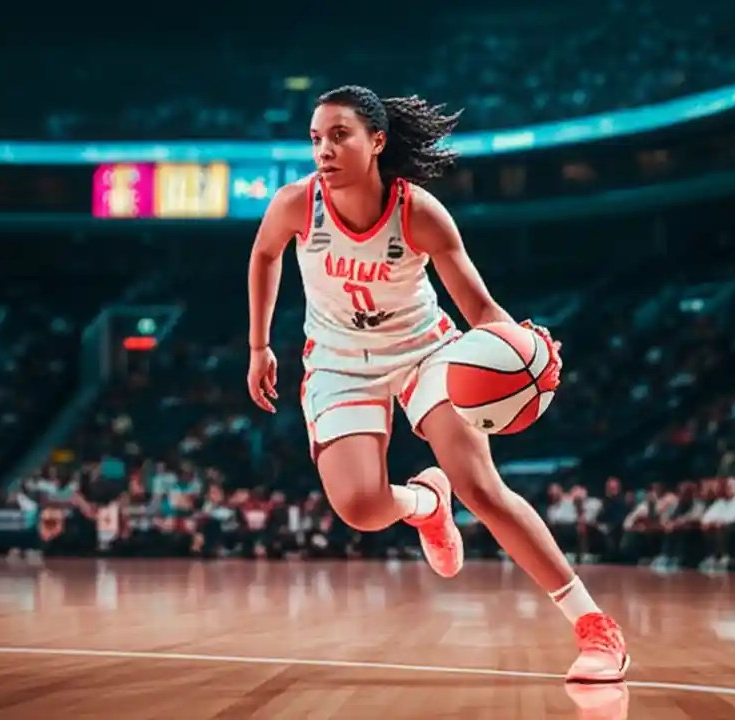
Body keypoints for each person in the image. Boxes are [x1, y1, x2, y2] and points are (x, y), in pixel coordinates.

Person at [245, 84, 627, 683]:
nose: (324, 149)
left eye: (339, 135)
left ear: (376, 141)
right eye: (316, 138)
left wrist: (523, 350)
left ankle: (595, 628)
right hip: (339, 361)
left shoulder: (417, 212)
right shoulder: (297, 204)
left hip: (424, 350)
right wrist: (259, 345)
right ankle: (425, 503)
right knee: (361, 507)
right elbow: (264, 256)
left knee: (481, 486)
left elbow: (481, 310)